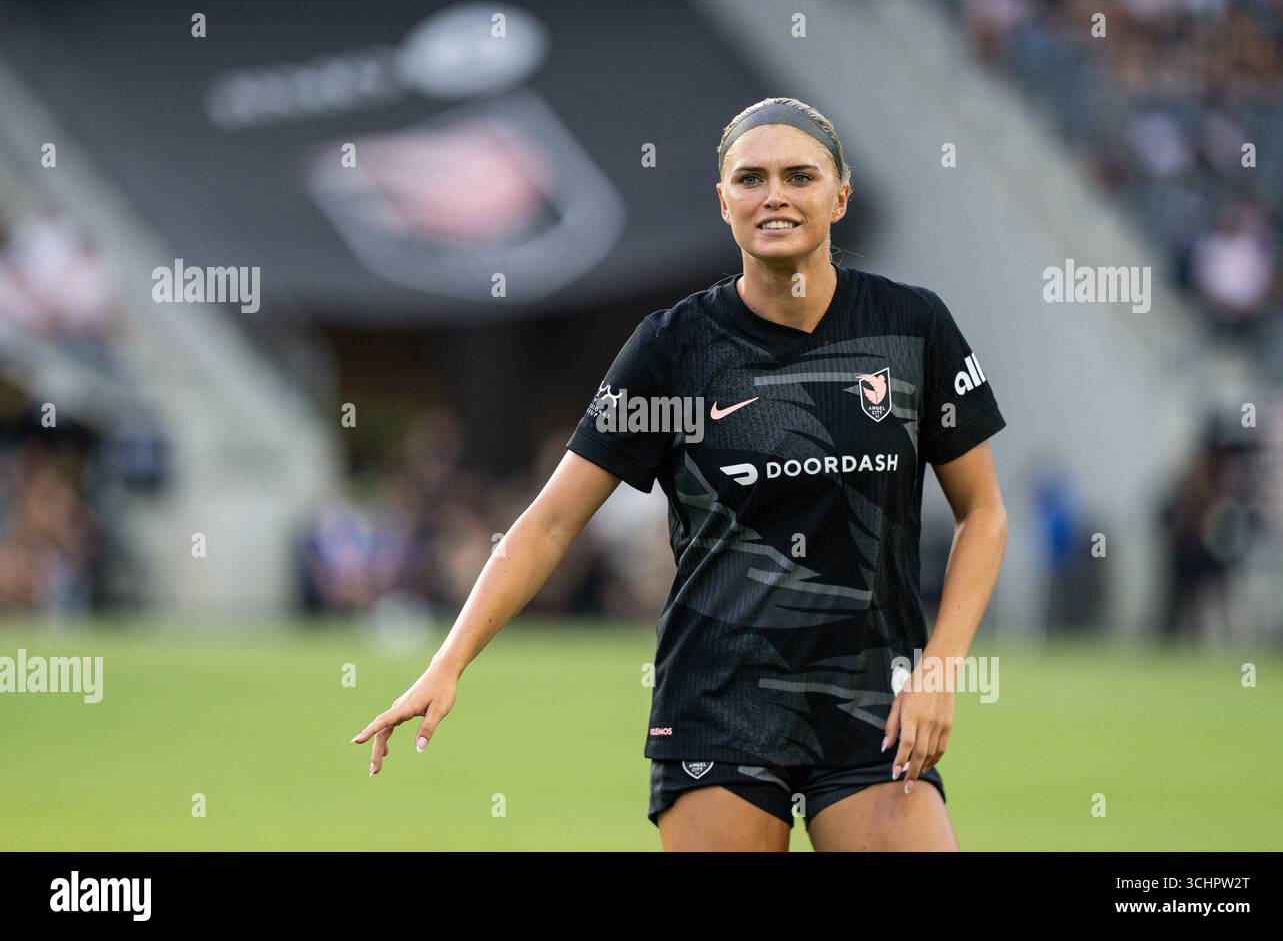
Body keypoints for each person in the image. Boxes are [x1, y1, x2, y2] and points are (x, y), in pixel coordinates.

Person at [352, 97, 1009, 851]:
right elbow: (551, 520)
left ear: (840, 195)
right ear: (722, 199)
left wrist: (940, 670)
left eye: (800, 176)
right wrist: (448, 663)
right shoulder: (673, 348)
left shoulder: (913, 328)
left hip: (873, 698)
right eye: (750, 178)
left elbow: (982, 513)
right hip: (717, 702)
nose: (776, 197)